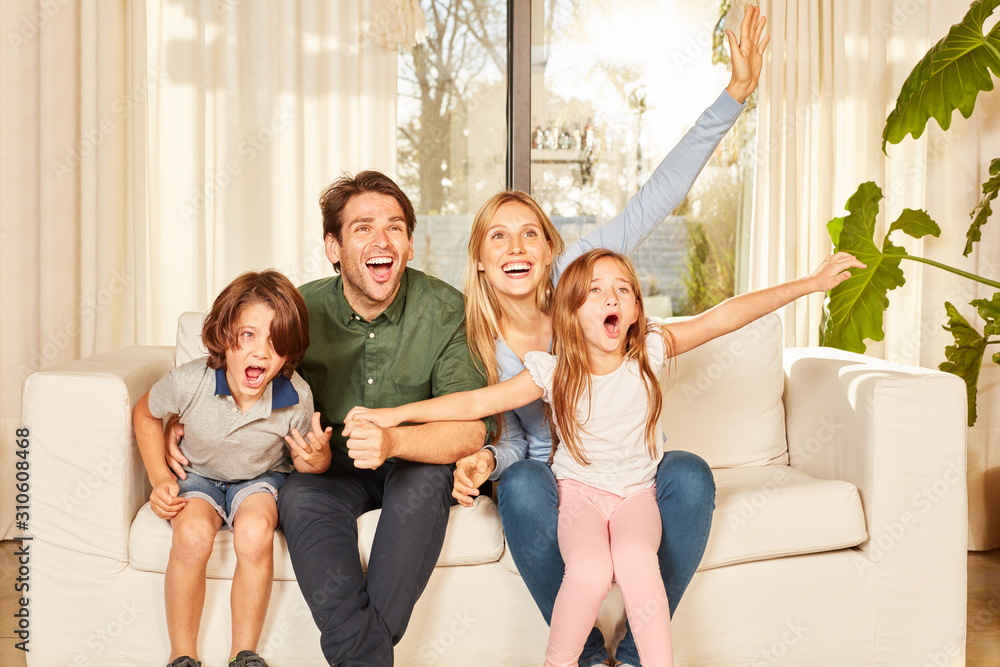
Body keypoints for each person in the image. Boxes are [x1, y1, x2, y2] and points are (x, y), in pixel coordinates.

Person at [348, 248, 865, 667]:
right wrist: (392, 418)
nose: (610, 297)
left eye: (622, 289)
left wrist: (809, 284)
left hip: (638, 494)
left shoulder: (651, 352)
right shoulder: (551, 371)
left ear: (636, 309)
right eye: (594, 292)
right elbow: (474, 403)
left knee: (639, 562)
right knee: (591, 568)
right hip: (580, 498)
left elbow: (723, 317)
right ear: (571, 312)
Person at [455, 5, 770, 666]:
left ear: (551, 250)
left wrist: (735, 95)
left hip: (626, 478)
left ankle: (634, 649)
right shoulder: (482, 343)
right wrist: (485, 460)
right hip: (553, 484)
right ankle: (585, 654)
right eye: (499, 238)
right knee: (520, 484)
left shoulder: (586, 277)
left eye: (530, 234)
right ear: (481, 258)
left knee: (686, 473)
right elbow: (503, 436)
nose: (517, 248)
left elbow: (657, 196)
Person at [274, 171, 492, 666]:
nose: (381, 240)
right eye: (362, 228)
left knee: (424, 481)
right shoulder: (299, 310)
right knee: (300, 496)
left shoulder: (445, 311)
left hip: (414, 460)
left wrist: (393, 442)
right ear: (333, 247)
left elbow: (472, 427)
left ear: (410, 245)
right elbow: (242, 369)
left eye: (395, 228)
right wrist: (183, 417)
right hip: (330, 471)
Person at [133, 270, 333, 667]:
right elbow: (145, 413)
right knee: (190, 534)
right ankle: (182, 654)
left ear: (289, 354)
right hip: (199, 476)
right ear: (225, 337)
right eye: (249, 336)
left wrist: (318, 459)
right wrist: (159, 477)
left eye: (276, 343)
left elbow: (305, 457)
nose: (262, 352)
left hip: (260, 479)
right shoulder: (191, 381)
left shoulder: (296, 396)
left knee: (256, 532)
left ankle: (244, 653)